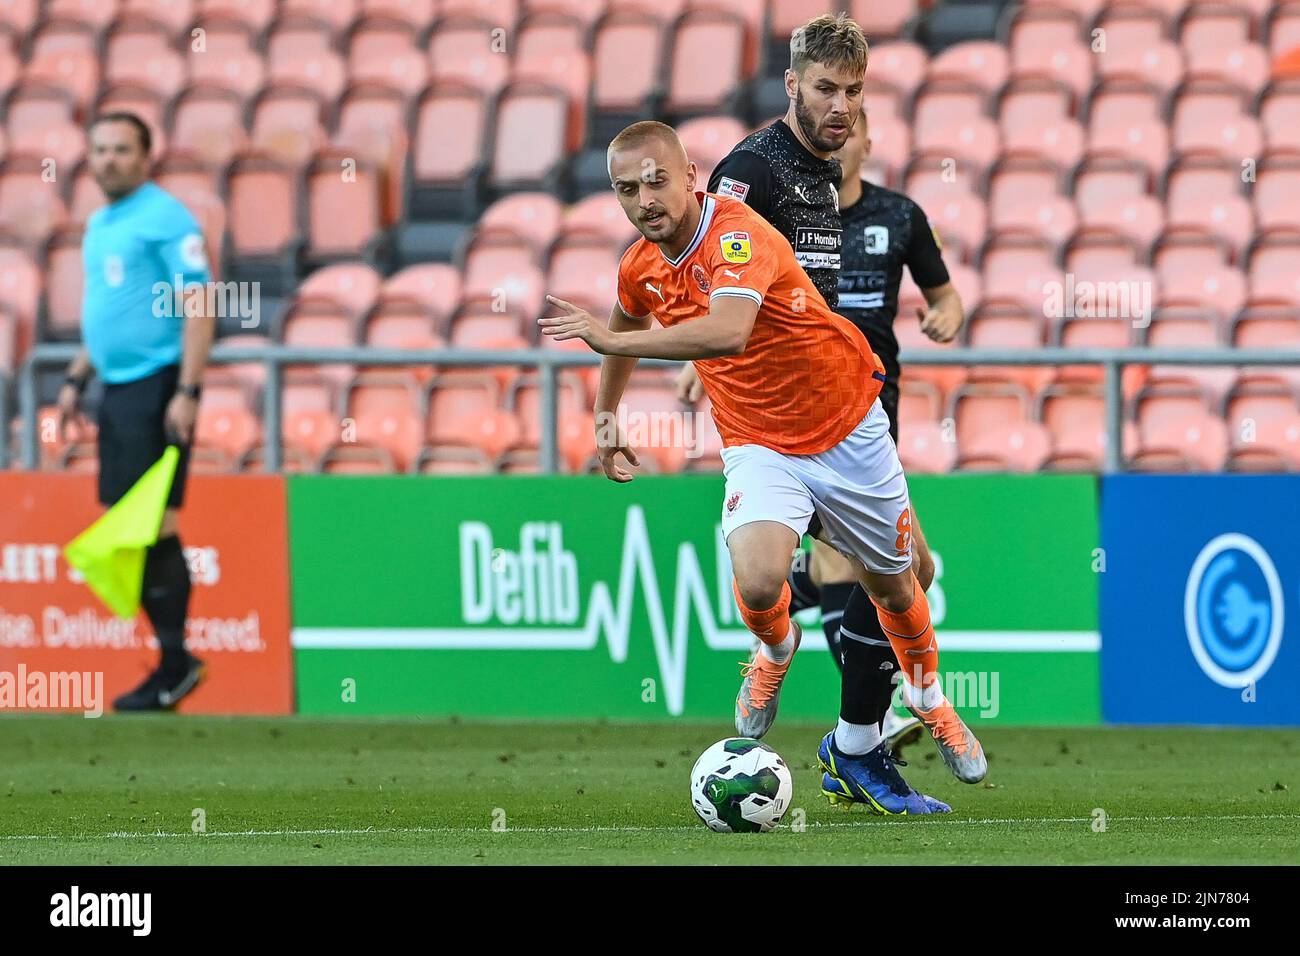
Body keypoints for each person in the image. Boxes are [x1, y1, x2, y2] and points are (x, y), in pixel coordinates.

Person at [541, 120, 987, 814]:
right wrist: (606, 414)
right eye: (627, 189)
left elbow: (728, 331)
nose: (645, 199)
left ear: (689, 175)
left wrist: (604, 333)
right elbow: (625, 330)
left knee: (903, 585)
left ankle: (930, 699)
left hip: (846, 426)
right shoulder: (638, 265)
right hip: (758, 440)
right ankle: (776, 652)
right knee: (756, 579)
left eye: (657, 180)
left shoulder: (735, 235)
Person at [58, 112, 215, 711]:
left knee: (157, 524)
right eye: (99, 150)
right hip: (117, 391)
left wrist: (189, 390)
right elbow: (106, 311)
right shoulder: (100, 224)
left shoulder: (167, 218)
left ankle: (175, 665)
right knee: (133, 527)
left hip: (158, 385)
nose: (109, 160)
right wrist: (78, 376)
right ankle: (171, 665)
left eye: (122, 149)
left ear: (147, 156)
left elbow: (200, 304)